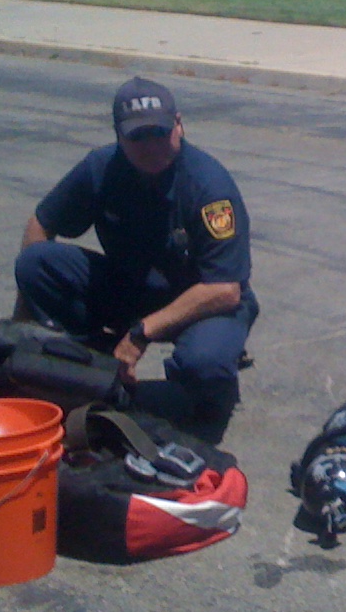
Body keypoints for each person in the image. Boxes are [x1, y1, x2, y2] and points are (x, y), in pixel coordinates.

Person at [14, 77, 258, 432]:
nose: (151, 145)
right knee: (36, 264)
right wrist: (23, 317)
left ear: (179, 124)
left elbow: (224, 289)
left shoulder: (209, 186)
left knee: (203, 364)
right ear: (118, 136)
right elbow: (41, 222)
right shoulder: (102, 168)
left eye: (159, 132)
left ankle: (209, 389)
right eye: (137, 137)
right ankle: (93, 362)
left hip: (203, 302)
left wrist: (139, 336)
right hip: (134, 288)